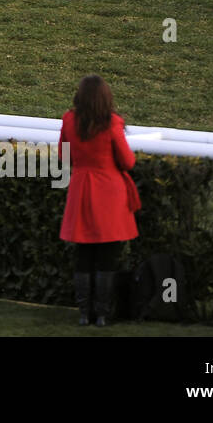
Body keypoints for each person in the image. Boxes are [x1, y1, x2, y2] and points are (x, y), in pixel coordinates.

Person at [59, 74, 140, 327]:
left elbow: (64, 156)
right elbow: (128, 161)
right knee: (107, 254)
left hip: (81, 188)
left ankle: (84, 313)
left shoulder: (70, 120)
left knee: (84, 253)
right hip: (109, 192)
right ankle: (102, 314)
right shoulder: (112, 123)